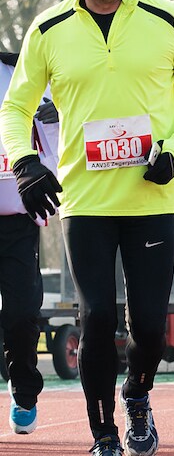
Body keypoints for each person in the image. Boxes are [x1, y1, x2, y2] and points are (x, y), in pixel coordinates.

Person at [0, 0, 174, 456]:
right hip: (86, 203)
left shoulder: (166, 18)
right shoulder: (48, 30)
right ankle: (103, 435)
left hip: (153, 197)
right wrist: (26, 163)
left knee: (149, 328)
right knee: (96, 317)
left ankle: (138, 394)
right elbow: (16, 106)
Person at [0, 52, 59, 436]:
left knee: (22, 315)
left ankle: (23, 389)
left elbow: (57, 144)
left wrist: (53, 126)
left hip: (17, 222)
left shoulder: (22, 73)